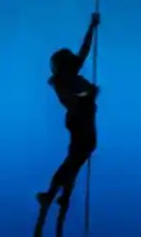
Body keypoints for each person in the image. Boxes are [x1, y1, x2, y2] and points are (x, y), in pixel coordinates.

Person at [37, 12, 101, 212]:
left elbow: (84, 49)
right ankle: (61, 196)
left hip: (84, 133)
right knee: (72, 164)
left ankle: (55, 195)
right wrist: (88, 94)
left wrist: (92, 27)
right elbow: (72, 101)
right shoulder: (62, 83)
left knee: (71, 164)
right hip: (82, 130)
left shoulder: (68, 77)